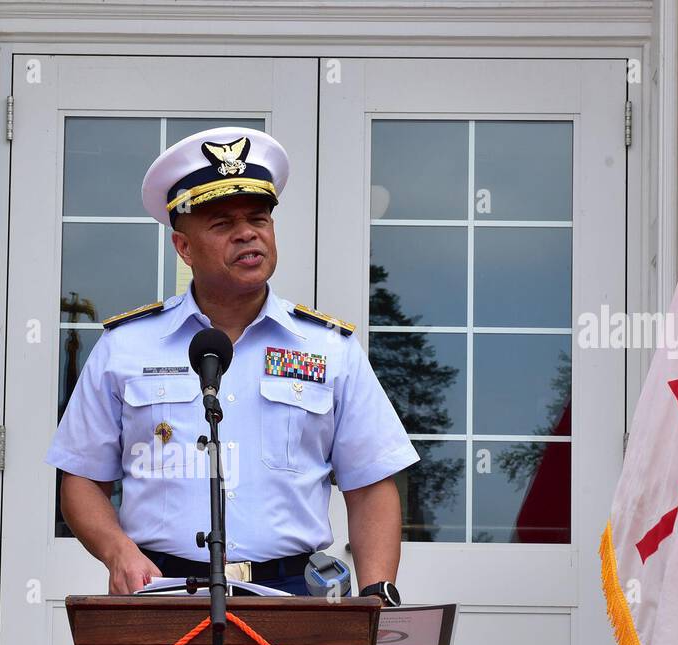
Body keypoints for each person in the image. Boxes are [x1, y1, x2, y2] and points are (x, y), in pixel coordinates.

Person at [46, 126, 417, 602]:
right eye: (222, 224)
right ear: (183, 247)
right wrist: (118, 551)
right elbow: (80, 478)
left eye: (259, 218)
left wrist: (376, 592)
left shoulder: (329, 349)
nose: (247, 233)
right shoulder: (127, 347)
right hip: (165, 588)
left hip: (294, 595)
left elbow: (371, 484)